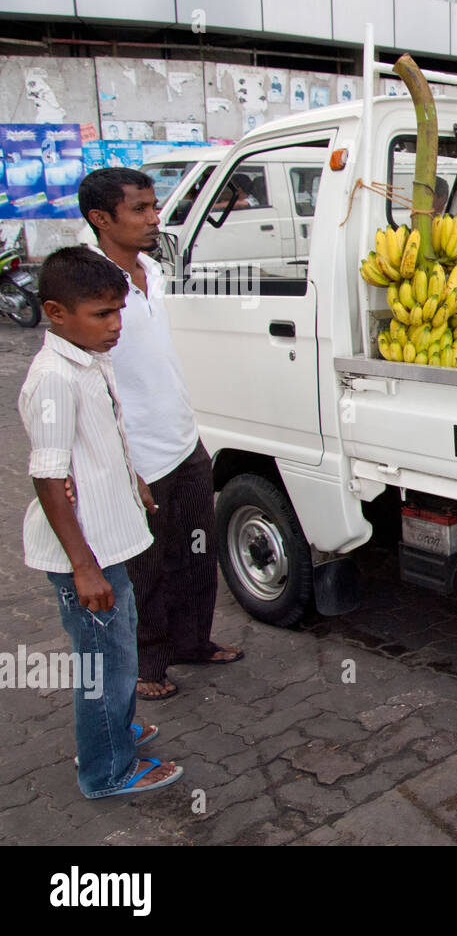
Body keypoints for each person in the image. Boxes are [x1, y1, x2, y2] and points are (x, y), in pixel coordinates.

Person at [19, 246, 183, 796]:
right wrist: (83, 568)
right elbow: (48, 476)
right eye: (101, 314)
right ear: (55, 312)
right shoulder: (54, 379)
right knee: (104, 667)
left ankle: (114, 733)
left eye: (119, 312)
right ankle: (105, 770)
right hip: (85, 557)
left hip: (109, 543)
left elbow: (101, 440)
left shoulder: (90, 359)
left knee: (118, 652)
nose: (116, 326)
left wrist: (131, 479)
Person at [79, 168, 240, 701]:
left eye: (154, 206)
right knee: (148, 566)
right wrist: (124, 466)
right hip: (138, 453)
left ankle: (194, 641)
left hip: (180, 437)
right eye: (140, 210)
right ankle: (150, 665)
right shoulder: (89, 286)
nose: (154, 218)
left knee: (197, 550)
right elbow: (91, 383)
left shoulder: (150, 267)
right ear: (102, 219)